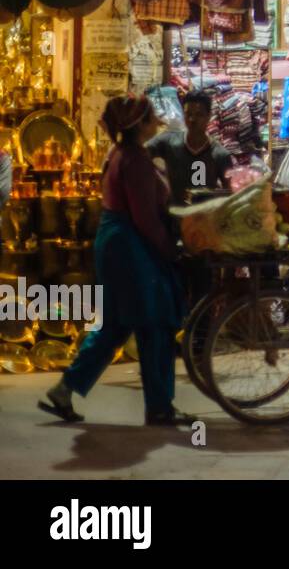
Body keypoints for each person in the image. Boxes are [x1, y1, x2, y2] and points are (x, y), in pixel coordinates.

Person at [40, 95, 192, 425]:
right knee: (154, 323)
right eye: (152, 117)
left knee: (117, 325)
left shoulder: (121, 154)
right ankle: (159, 405)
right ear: (139, 125)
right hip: (130, 246)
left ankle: (65, 389)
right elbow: (145, 218)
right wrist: (170, 248)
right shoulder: (134, 160)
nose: (157, 122)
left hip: (117, 243)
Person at [147, 90, 233, 204]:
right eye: (188, 114)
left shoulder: (220, 155)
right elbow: (139, 154)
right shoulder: (168, 142)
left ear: (208, 116)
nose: (192, 120)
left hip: (204, 219)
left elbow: (230, 194)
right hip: (172, 218)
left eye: (199, 115)